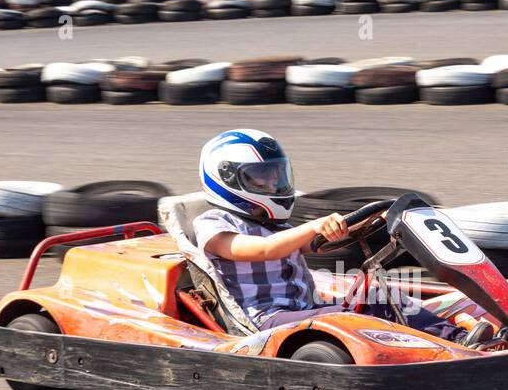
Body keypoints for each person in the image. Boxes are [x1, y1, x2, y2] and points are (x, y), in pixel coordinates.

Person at [192, 128, 480, 343]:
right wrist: (316, 224)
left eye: (276, 175)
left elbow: (320, 245)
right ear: (226, 179)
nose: (273, 183)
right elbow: (264, 250)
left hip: (304, 309)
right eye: (261, 176)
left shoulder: (274, 225)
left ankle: (456, 339)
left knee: (378, 296)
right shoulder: (214, 224)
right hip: (267, 321)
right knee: (351, 319)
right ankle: (447, 345)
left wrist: (366, 222)